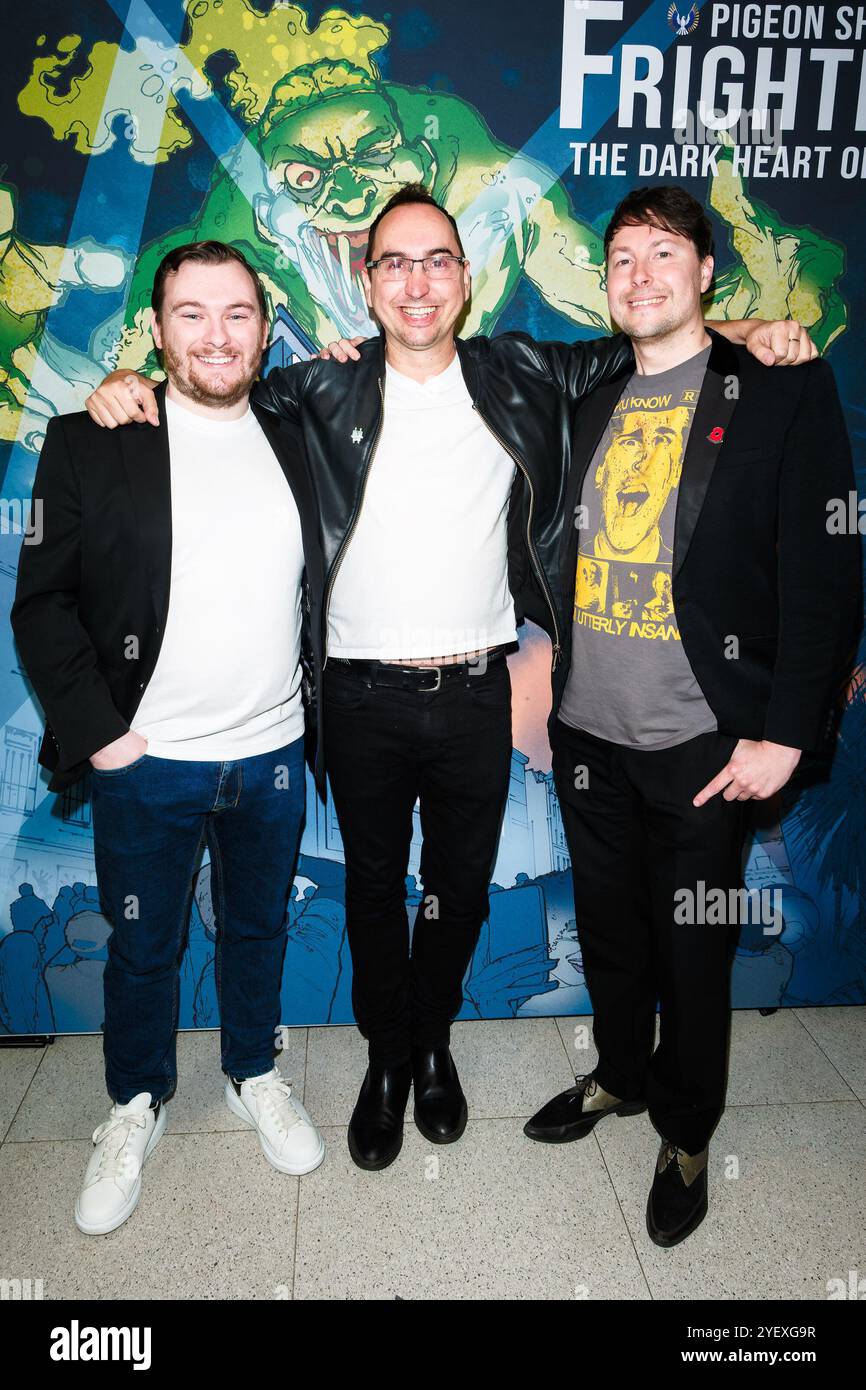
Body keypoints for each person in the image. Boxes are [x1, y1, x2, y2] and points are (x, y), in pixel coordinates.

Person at [84, 183, 814, 1173]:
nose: (417, 280)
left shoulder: (520, 371)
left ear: (464, 283)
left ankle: (432, 1043)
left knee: (457, 894)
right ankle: (388, 1059)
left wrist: (757, 325)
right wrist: (125, 385)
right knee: (374, 894)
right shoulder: (318, 390)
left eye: (437, 260)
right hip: (357, 698)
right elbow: (210, 378)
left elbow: (660, 332)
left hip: (474, 692)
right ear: (367, 281)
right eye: (395, 262)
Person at [521, 185, 861, 1248]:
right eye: (619, 257)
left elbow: (824, 573)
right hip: (587, 735)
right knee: (611, 936)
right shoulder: (587, 389)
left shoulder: (778, 391)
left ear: (705, 272)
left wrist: (786, 733)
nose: (638, 274)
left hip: (707, 744)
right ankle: (621, 1076)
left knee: (692, 950)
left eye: (662, 253)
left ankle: (684, 1127)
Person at [12, 241, 326, 1235]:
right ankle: (135, 1100)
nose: (216, 334)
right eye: (190, 313)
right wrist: (101, 736)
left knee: (258, 927)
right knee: (144, 947)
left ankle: (252, 1071)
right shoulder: (91, 438)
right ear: (154, 329)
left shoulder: (300, 423)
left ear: (265, 327)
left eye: (237, 313)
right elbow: (41, 606)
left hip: (273, 754)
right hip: (145, 762)